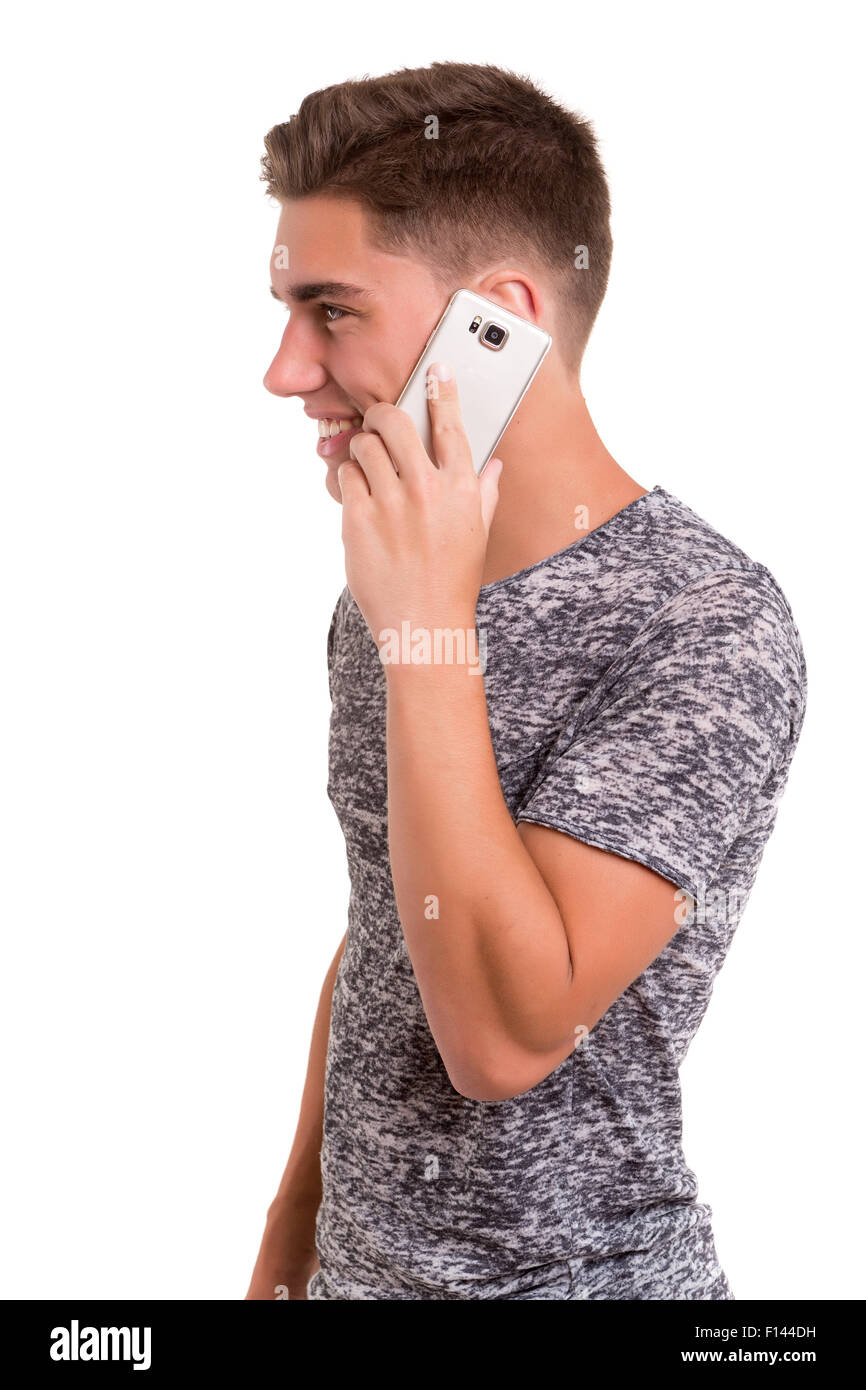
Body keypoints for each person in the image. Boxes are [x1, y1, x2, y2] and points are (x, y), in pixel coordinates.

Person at [246, 61, 807, 1301]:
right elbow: (389, 926)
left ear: (492, 324)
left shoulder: (703, 622)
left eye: (330, 310)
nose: (285, 370)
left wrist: (430, 631)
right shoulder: (392, 595)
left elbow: (503, 1037)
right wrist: (294, 1223)